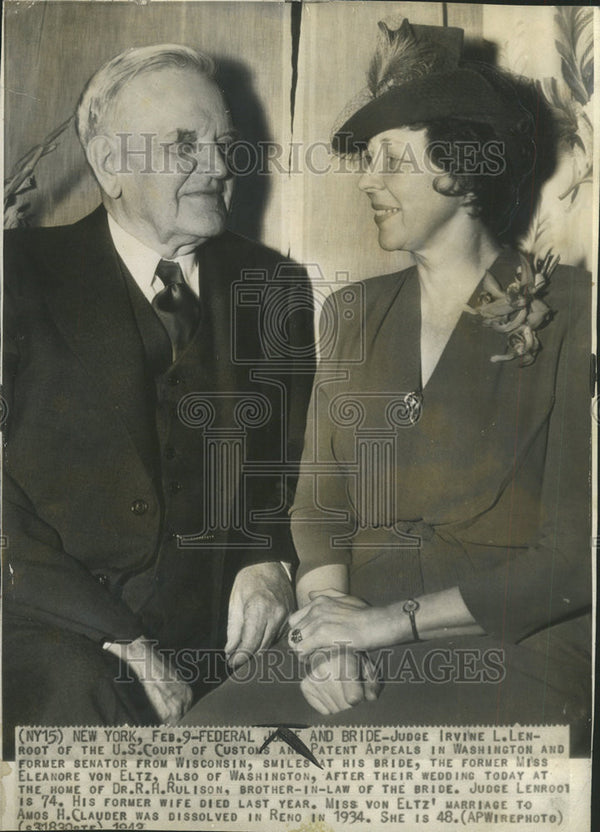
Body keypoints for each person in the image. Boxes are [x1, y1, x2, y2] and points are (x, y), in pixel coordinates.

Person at [184, 20, 591, 754]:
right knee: (202, 749)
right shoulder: (352, 314)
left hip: (509, 641)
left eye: (390, 159)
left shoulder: (572, 314)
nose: (367, 179)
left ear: (461, 171)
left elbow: (572, 560)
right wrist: (334, 630)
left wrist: (385, 626)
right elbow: (320, 511)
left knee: (358, 762)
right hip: (350, 628)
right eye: (366, 159)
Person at [2, 44, 314, 756]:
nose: (216, 167)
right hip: (60, 627)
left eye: (224, 145)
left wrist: (271, 561)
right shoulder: (18, 274)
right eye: (184, 145)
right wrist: (120, 635)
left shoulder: (273, 286)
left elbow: (297, 461)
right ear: (111, 164)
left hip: (219, 643)